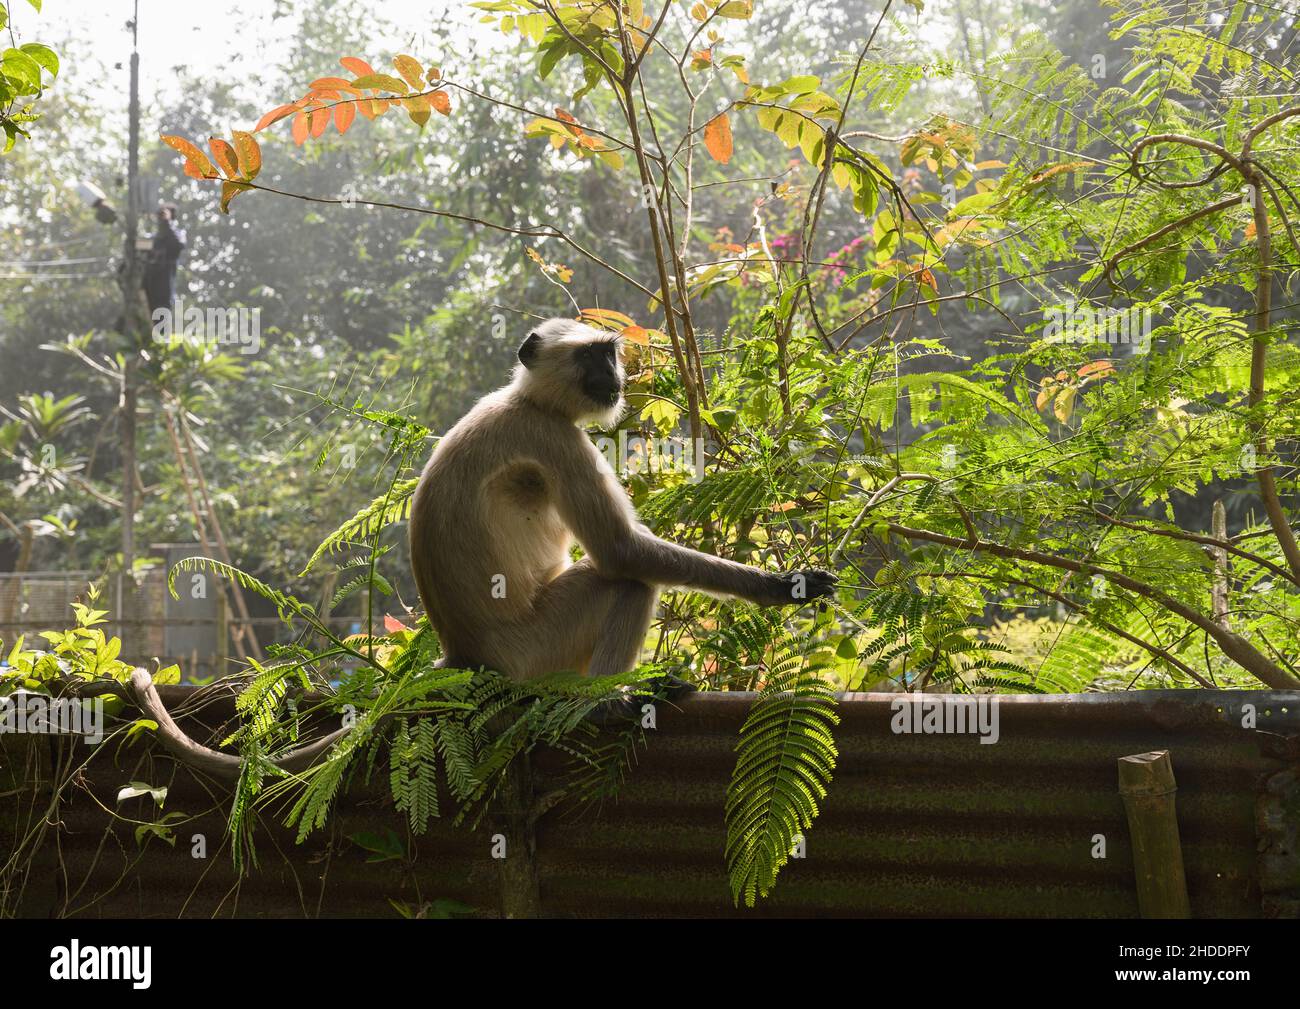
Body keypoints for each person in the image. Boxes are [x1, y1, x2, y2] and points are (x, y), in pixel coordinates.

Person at [142, 203, 186, 318]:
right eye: (159, 216)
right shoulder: (151, 238)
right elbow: (136, 248)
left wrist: (167, 222)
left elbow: (178, 245)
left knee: (160, 324)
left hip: (164, 291)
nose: (160, 219)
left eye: (163, 215)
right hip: (146, 290)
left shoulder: (177, 234)